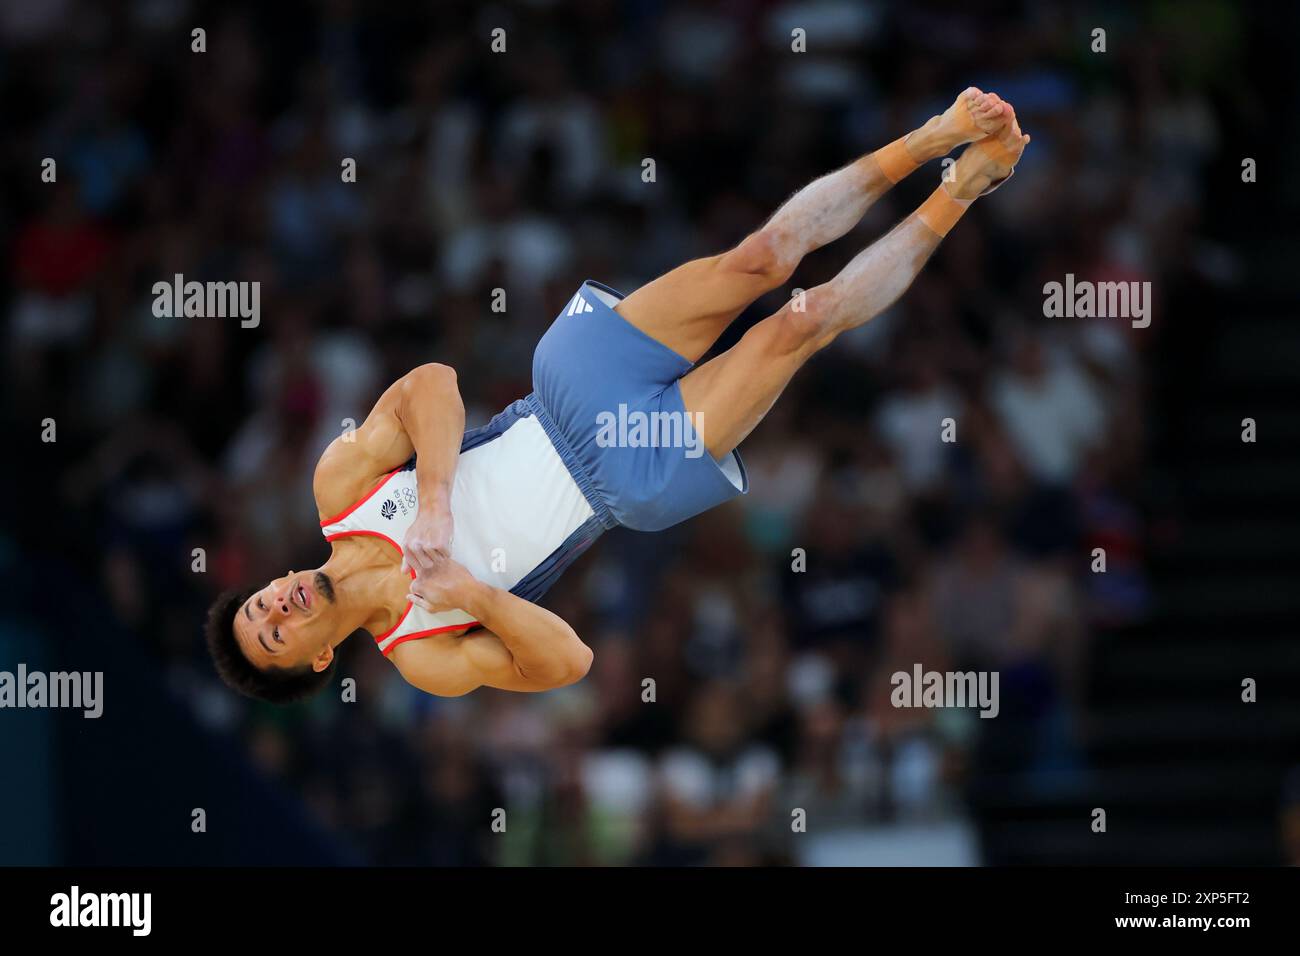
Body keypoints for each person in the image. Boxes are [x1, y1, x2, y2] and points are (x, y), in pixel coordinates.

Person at [205, 89, 1030, 703]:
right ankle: (964, 187)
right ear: (314, 660)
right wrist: (478, 597)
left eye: (257, 605)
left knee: (763, 259)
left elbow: (433, 384)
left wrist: (433, 501)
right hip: (624, 481)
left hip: (567, 389)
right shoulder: (420, 652)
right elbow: (568, 663)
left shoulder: (339, 492)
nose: (276, 606)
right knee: (798, 323)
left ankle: (936, 135)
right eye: (274, 633)